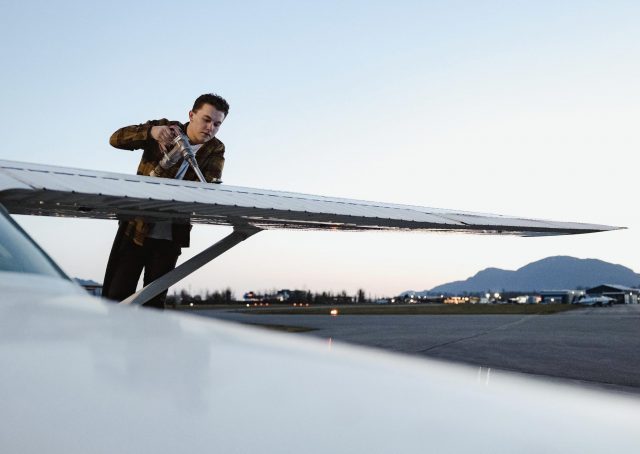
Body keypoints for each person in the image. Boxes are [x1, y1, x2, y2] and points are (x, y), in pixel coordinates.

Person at [102, 93, 229, 308]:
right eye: (206, 120)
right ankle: (113, 339)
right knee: (116, 295)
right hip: (136, 227)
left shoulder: (215, 149)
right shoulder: (164, 128)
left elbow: (207, 185)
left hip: (171, 235)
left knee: (154, 301)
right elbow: (116, 139)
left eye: (217, 124)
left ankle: (150, 341)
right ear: (191, 115)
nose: (211, 128)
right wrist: (151, 132)